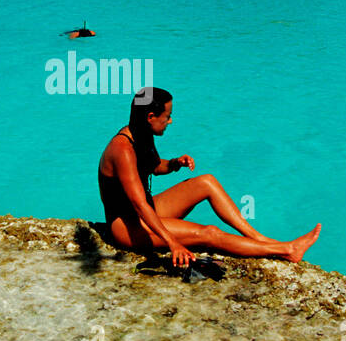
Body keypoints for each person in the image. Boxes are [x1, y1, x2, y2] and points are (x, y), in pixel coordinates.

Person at [97, 87, 321, 267]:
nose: (171, 121)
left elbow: (155, 167)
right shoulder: (122, 150)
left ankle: (258, 238)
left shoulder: (142, 133)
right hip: (126, 226)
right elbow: (138, 204)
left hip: (147, 210)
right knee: (208, 233)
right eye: (168, 117)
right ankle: (287, 250)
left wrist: (175, 163)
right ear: (151, 116)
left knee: (207, 181)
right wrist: (172, 243)